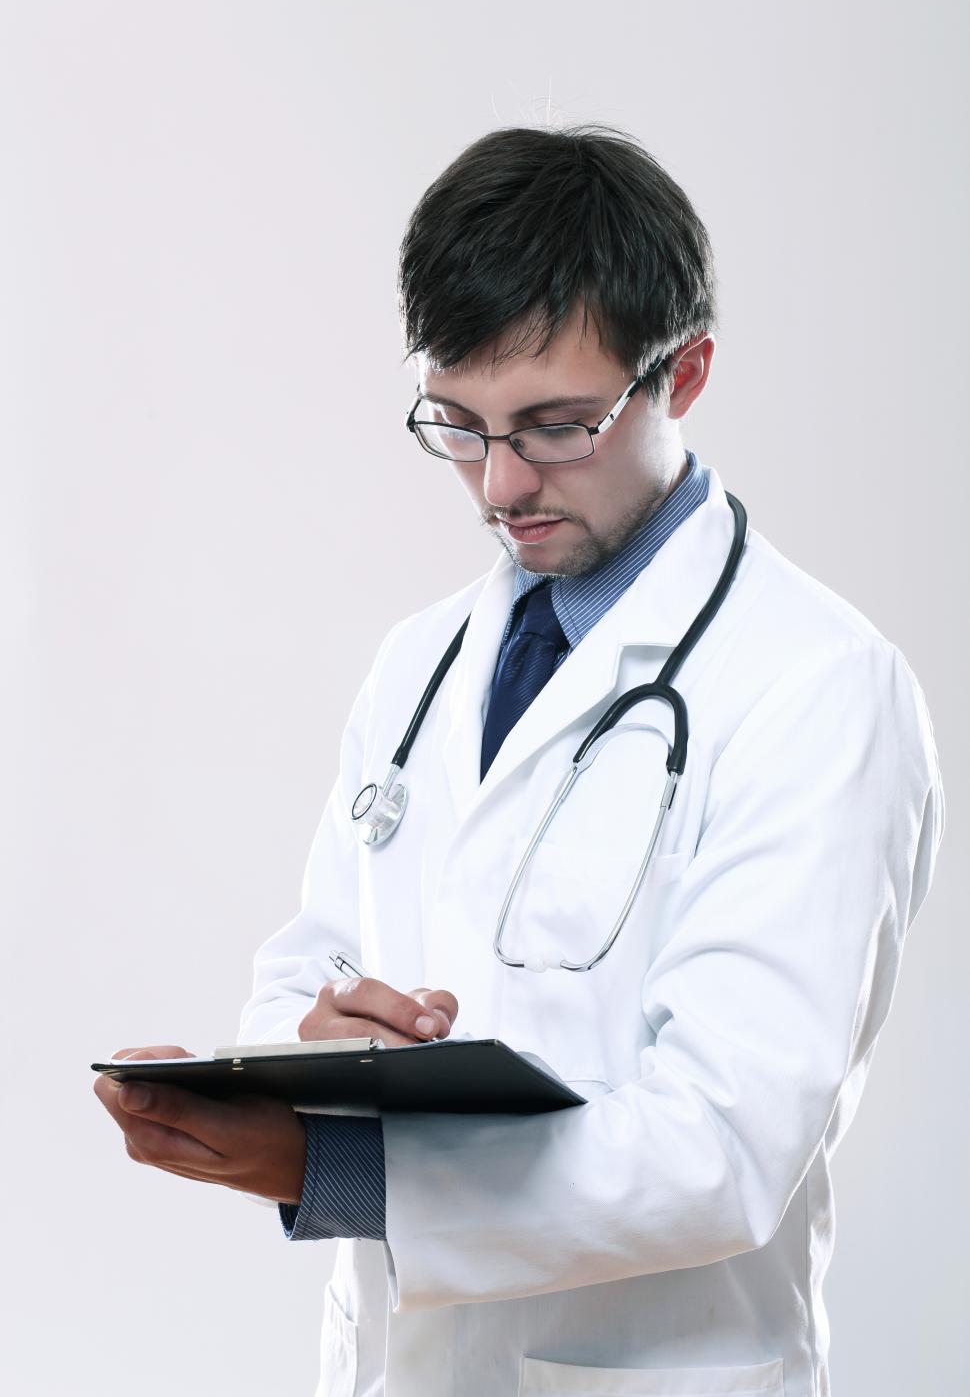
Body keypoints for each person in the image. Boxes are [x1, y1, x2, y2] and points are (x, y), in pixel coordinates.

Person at [95, 124, 944, 1397]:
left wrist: (330, 1164)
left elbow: (726, 1140)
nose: (499, 483)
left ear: (686, 371)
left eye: (554, 426)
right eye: (457, 423)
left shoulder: (817, 686)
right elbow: (308, 960)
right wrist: (311, 1052)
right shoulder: (419, 658)